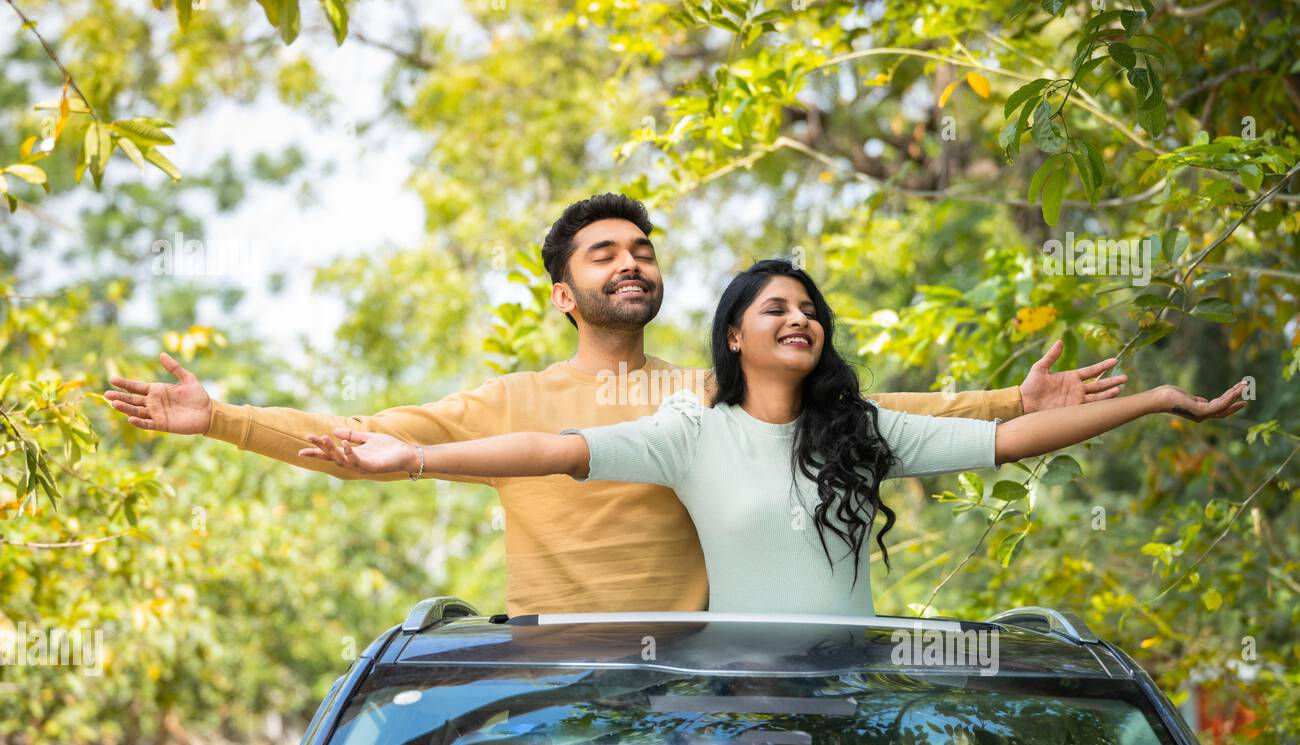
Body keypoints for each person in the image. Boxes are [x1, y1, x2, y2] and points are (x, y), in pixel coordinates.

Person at [105, 194, 1128, 616]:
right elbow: (359, 442)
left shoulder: (701, 399)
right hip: (548, 684)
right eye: (605, 252)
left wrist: (1009, 399)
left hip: (694, 688)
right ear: (563, 293)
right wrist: (225, 418)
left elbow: (870, 409)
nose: (631, 262)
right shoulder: (502, 402)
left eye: (642, 249)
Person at [302, 258, 1249, 617]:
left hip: (858, 698)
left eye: (810, 310)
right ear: (734, 334)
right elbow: (552, 447)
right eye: (775, 308)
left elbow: (1012, 441)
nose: (800, 319)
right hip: (741, 706)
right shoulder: (688, 431)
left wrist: (1161, 397)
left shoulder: (861, 432)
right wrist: (417, 457)